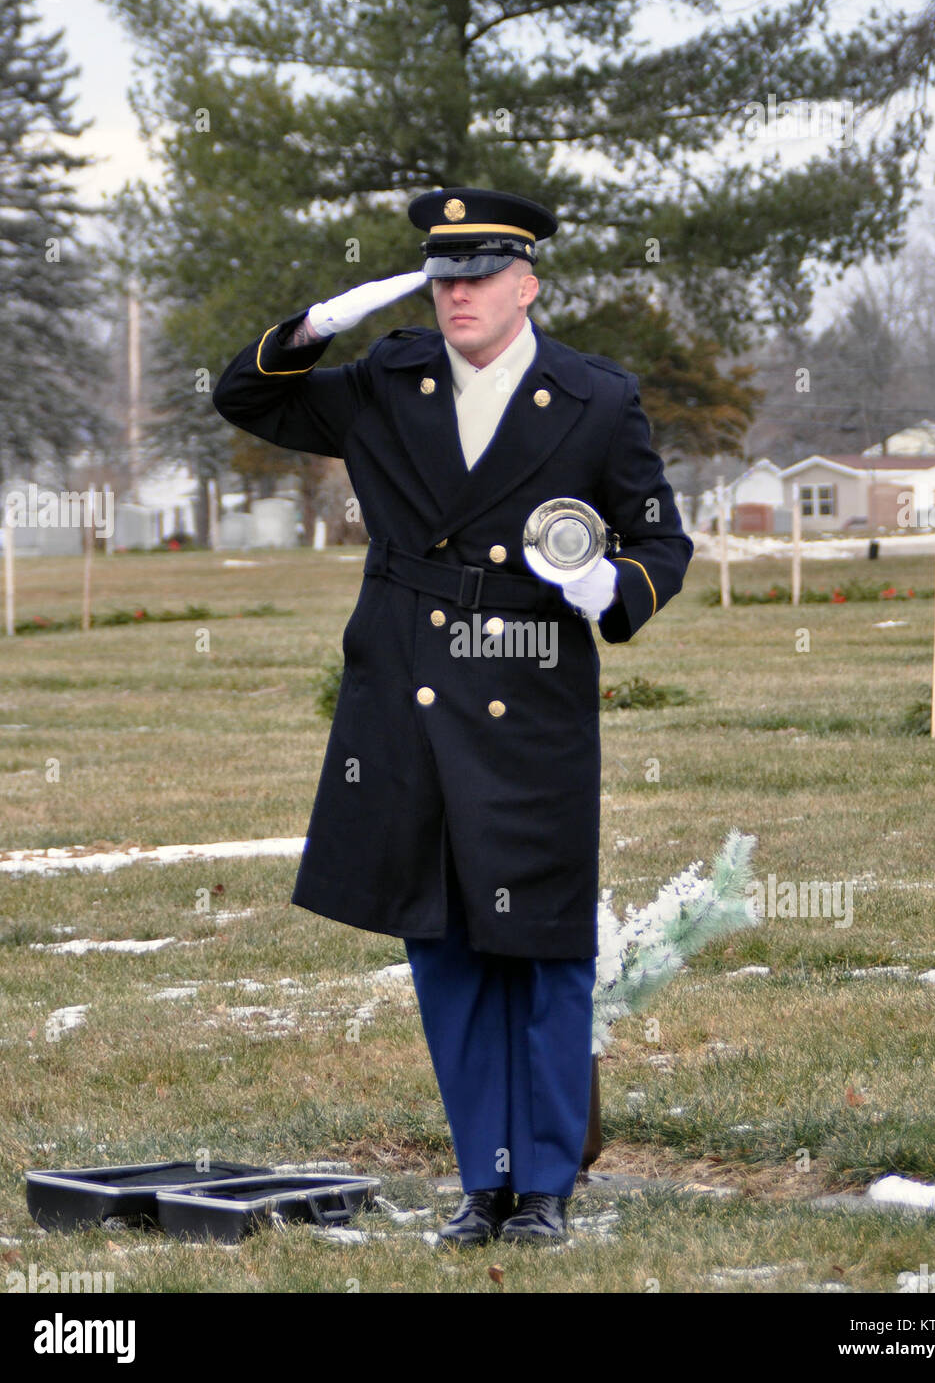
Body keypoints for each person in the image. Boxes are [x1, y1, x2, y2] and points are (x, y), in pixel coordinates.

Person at [212, 187, 694, 1245]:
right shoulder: (388, 378)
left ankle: (549, 1188)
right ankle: (488, 1182)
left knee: (543, 944)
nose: (456, 293)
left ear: (526, 284)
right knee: (445, 945)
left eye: (478, 275)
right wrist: (311, 329)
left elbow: (663, 540)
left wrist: (610, 588)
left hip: (529, 690)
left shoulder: (595, 397)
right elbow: (245, 399)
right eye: (441, 276)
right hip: (405, 688)